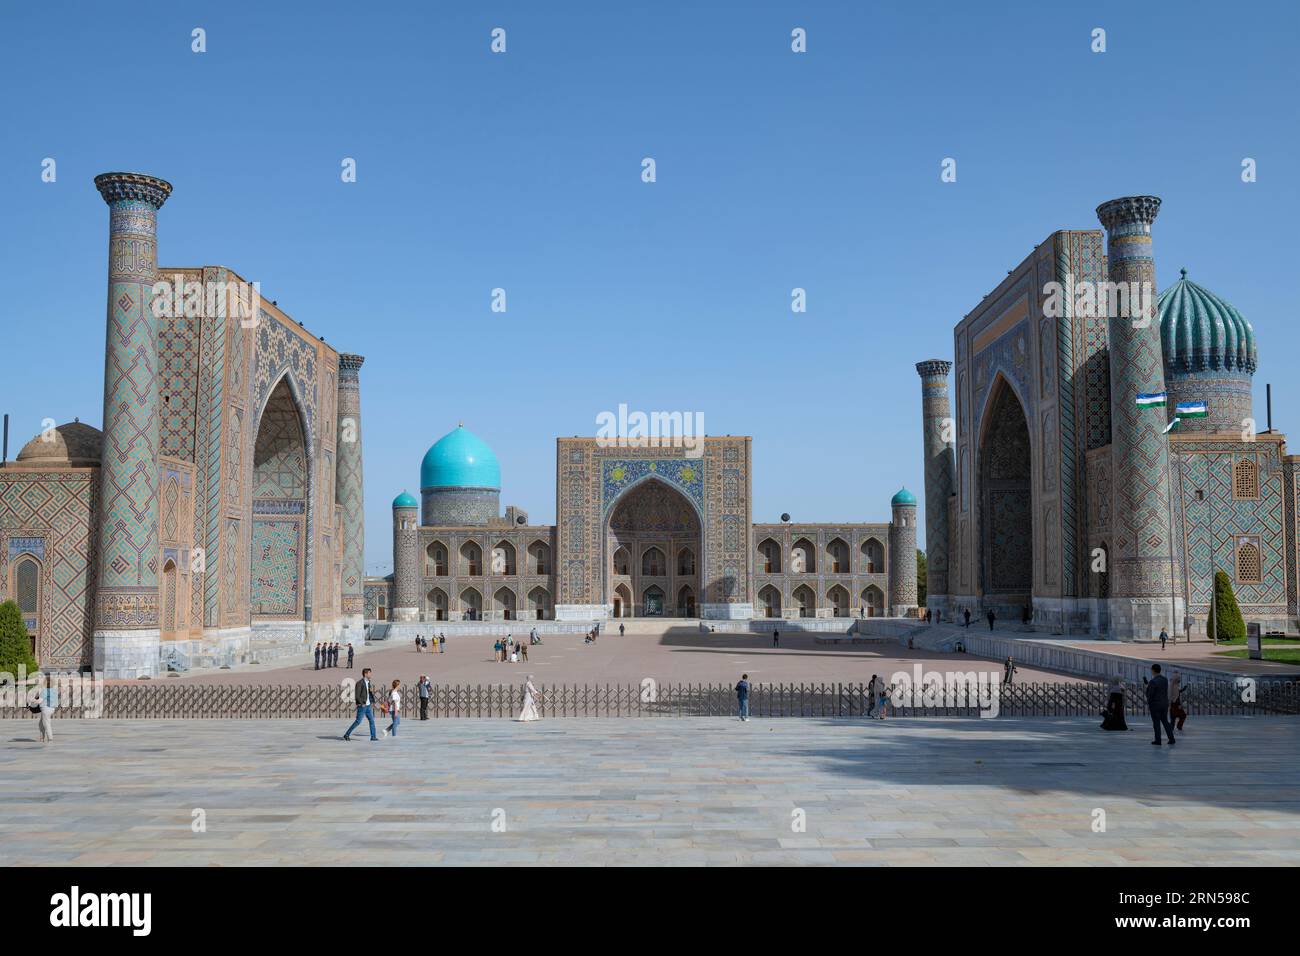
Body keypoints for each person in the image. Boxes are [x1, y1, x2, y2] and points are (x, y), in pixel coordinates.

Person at [343, 668, 379, 741]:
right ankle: (346, 734)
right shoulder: (359, 683)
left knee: (372, 721)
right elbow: (357, 695)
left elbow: (367, 693)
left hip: (368, 706)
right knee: (358, 721)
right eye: (369, 673)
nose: (370, 674)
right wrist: (361, 703)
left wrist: (371, 696)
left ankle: (373, 737)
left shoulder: (368, 682)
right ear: (365, 674)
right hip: (362, 706)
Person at [1146, 663, 1176, 746]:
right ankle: (1171, 738)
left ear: (1153, 670)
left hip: (1155, 704)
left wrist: (1148, 701)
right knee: (1165, 721)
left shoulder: (1153, 681)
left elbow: (1150, 694)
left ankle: (1158, 740)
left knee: (1156, 723)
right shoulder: (1165, 679)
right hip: (1164, 704)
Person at [35, 674, 57, 743]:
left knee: (47, 723)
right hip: (52, 708)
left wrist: (32, 700)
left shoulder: (44, 691)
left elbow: (39, 701)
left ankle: (50, 738)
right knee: (41, 723)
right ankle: (42, 737)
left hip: (45, 708)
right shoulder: (54, 691)